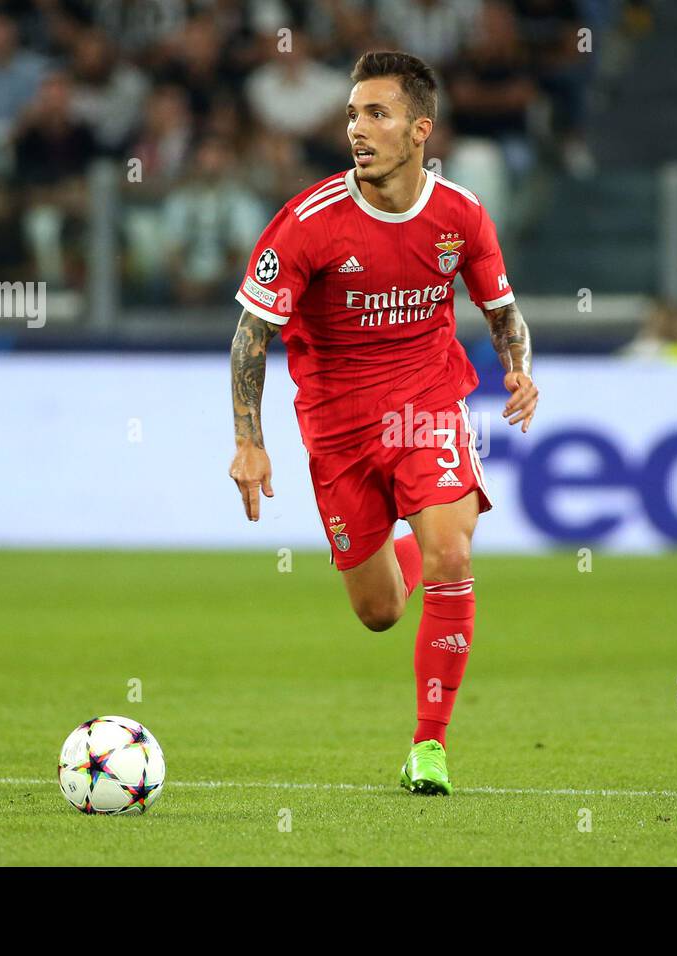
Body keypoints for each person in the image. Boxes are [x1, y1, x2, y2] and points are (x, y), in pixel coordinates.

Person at [227, 51, 538, 796]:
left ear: (420, 128)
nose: (357, 130)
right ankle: (411, 557)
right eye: (352, 115)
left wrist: (519, 367)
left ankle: (428, 747)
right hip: (336, 427)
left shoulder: (460, 216)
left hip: (427, 407)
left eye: (377, 114)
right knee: (378, 612)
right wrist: (249, 441)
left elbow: (503, 314)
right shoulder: (307, 223)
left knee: (453, 558)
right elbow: (250, 335)